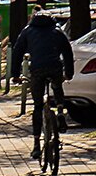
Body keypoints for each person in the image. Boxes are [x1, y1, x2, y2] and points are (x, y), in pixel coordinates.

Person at [10, 11, 74, 158]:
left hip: (37, 68)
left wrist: (15, 74)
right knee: (57, 86)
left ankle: (36, 145)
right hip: (55, 66)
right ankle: (59, 111)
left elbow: (17, 51)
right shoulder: (57, 30)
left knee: (38, 106)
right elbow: (67, 51)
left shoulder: (28, 31)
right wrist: (69, 72)